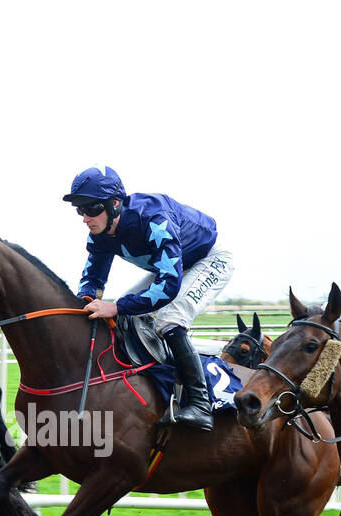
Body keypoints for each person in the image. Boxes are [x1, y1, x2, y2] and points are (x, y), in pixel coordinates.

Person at [63, 166, 233, 431]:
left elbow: (168, 286)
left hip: (208, 259)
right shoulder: (100, 234)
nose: (85, 217)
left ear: (115, 204)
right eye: (80, 210)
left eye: (92, 208)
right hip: (174, 268)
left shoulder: (154, 218)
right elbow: (92, 282)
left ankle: (200, 405)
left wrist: (116, 306)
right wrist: (83, 307)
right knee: (122, 315)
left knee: (169, 318)